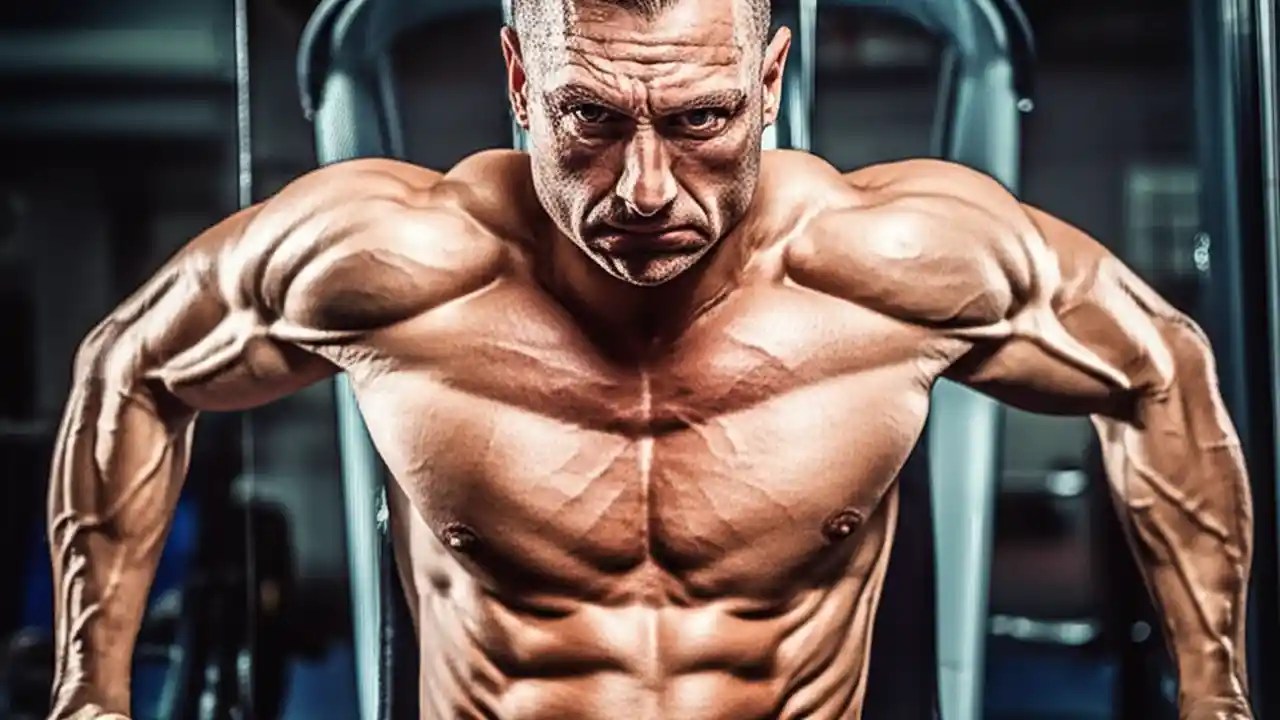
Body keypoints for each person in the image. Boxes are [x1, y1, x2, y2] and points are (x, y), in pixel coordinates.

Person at [46, 0, 1254, 717]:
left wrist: (1213, 697)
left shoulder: (891, 266)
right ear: (520, 82)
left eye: (697, 122)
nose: (642, 189)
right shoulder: (396, 264)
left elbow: (1156, 370)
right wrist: (90, 699)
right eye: (590, 119)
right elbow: (133, 366)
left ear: (766, 84)